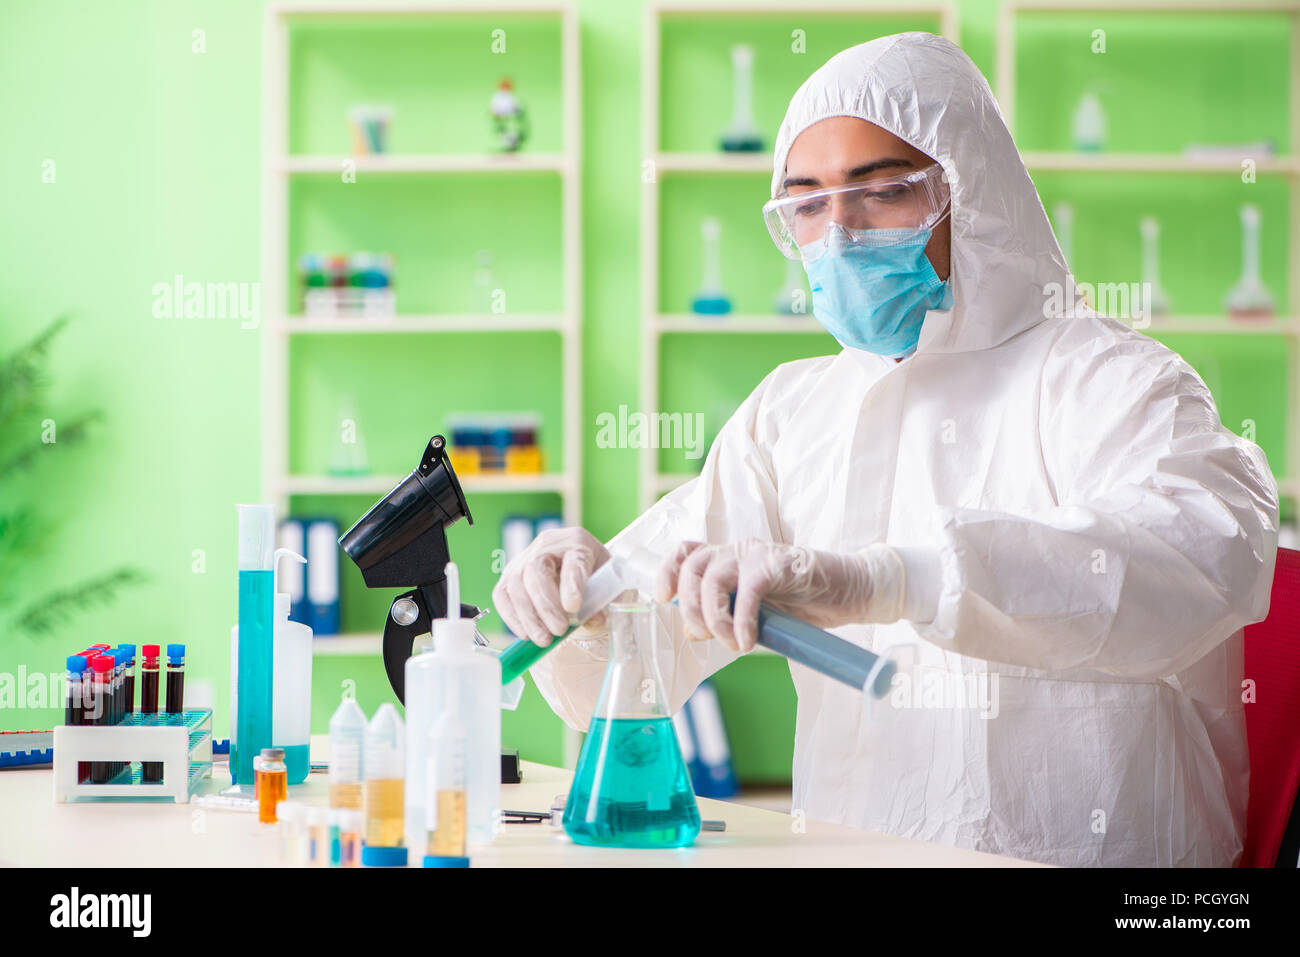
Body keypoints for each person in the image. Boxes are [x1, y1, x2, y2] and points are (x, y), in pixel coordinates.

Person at [492, 33, 1279, 867]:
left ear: (970, 192)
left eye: (884, 192)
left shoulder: (1108, 381)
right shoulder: (792, 413)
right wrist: (568, 601)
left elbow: (1207, 553)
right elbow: (636, 664)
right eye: (806, 203)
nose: (839, 235)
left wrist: (893, 577)